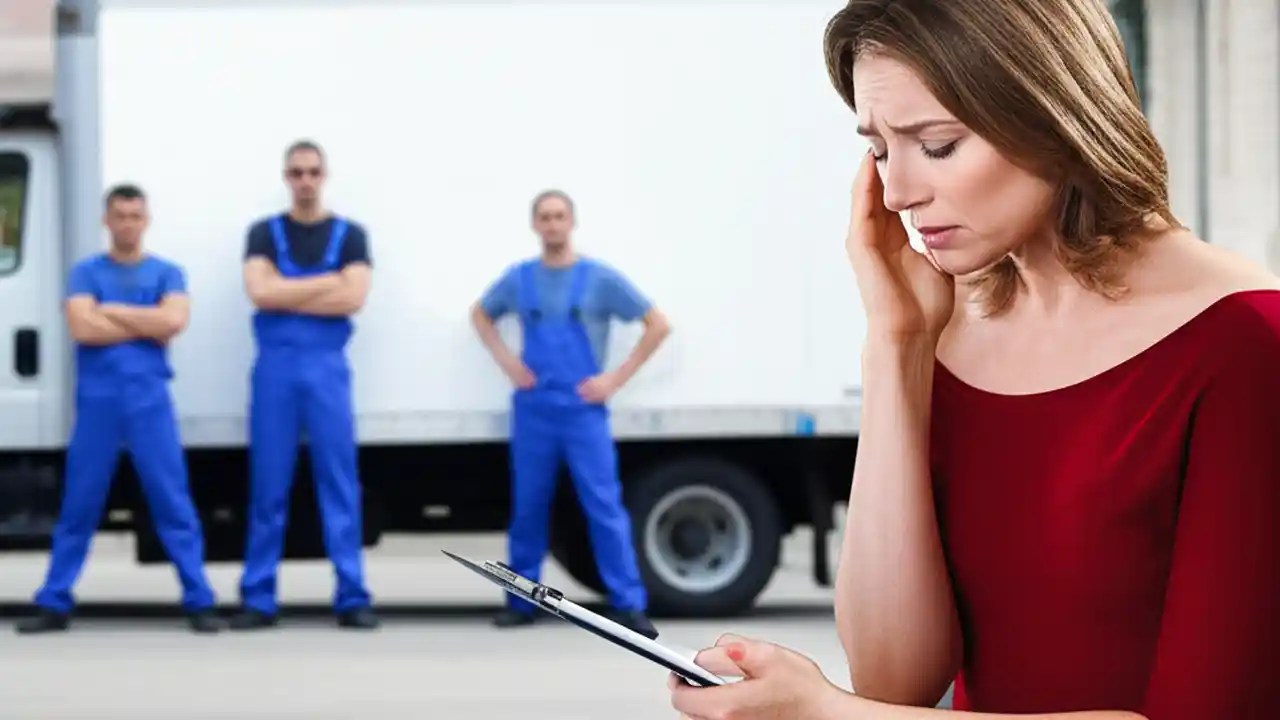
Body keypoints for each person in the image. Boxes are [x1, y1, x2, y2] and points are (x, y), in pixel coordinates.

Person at [668, 1, 1280, 719]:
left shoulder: (1246, 344)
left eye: (936, 145)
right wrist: (895, 347)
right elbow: (895, 682)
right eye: (878, 150)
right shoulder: (944, 331)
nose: (898, 194)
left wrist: (824, 713)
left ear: (1054, 115)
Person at [15, 184, 223, 635]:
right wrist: (144, 320)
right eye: (120, 216)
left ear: (146, 221)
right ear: (106, 221)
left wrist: (112, 311)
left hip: (149, 401)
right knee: (79, 505)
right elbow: (82, 328)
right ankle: (55, 601)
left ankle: (199, 599)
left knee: (173, 502)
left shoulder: (168, 272)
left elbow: (173, 322)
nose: (127, 223)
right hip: (98, 404)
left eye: (135, 215)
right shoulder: (85, 272)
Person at [471, 190, 671, 640]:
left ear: (571, 222)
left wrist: (613, 380)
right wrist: (509, 364)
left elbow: (657, 324)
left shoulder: (598, 279)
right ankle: (519, 603)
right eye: (545, 217)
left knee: (603, 506)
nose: (553, 224)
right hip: (534, 411)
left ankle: (630, 606)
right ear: (535, 225)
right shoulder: (520, 280)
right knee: (528, 507)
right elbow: (481, 315)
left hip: (584, 410)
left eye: (559, 216)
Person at [230, 140, 378, 631]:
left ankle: (352, 595)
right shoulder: (264, 233)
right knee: (268, 486)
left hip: (327, 371)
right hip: (275, 372)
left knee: (338, 483)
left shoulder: (351, 235)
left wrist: (284, 293)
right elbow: (258, 292)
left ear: (325, 175)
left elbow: (353, 298)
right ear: (286, 177)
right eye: (296, 172)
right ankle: (258, 597)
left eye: (313, 171)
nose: (305, 180)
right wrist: (325, 284)